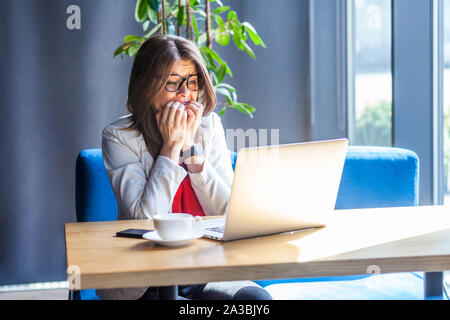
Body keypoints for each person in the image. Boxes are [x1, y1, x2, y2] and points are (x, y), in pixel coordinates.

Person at [97, 34, 272, 300]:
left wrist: (193, 153)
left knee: (256, 301)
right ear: (146, 86)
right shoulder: (118, 137)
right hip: (147, 277)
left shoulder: (208, 127)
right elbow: (144, 220)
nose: (185, 94)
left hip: (206, 268)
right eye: (172, 83)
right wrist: (171, 148)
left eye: (191, 82)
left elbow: (229, 213)